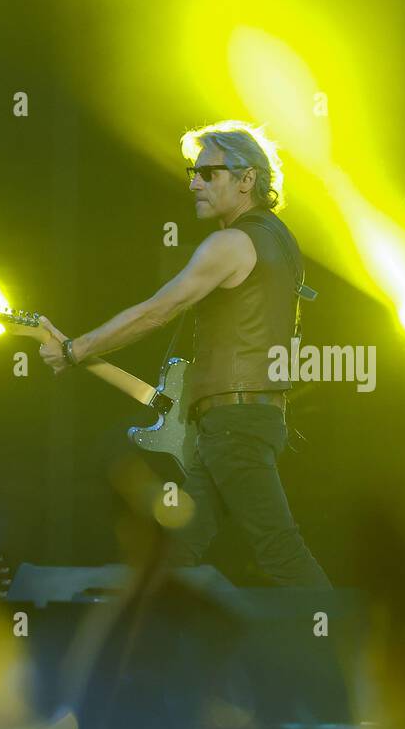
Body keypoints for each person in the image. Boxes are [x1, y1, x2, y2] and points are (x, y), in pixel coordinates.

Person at [39, 121, 330, 588]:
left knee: (280, 550)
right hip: (238, 422)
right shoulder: (280, 240)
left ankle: (342, 651)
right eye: (192, 171)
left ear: (246, 179)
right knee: (176, 555)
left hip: (235, 425)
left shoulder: (233, 242)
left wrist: (75, 349)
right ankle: (152, 648)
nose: (193, 182)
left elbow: (158, 310)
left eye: (207, 173)